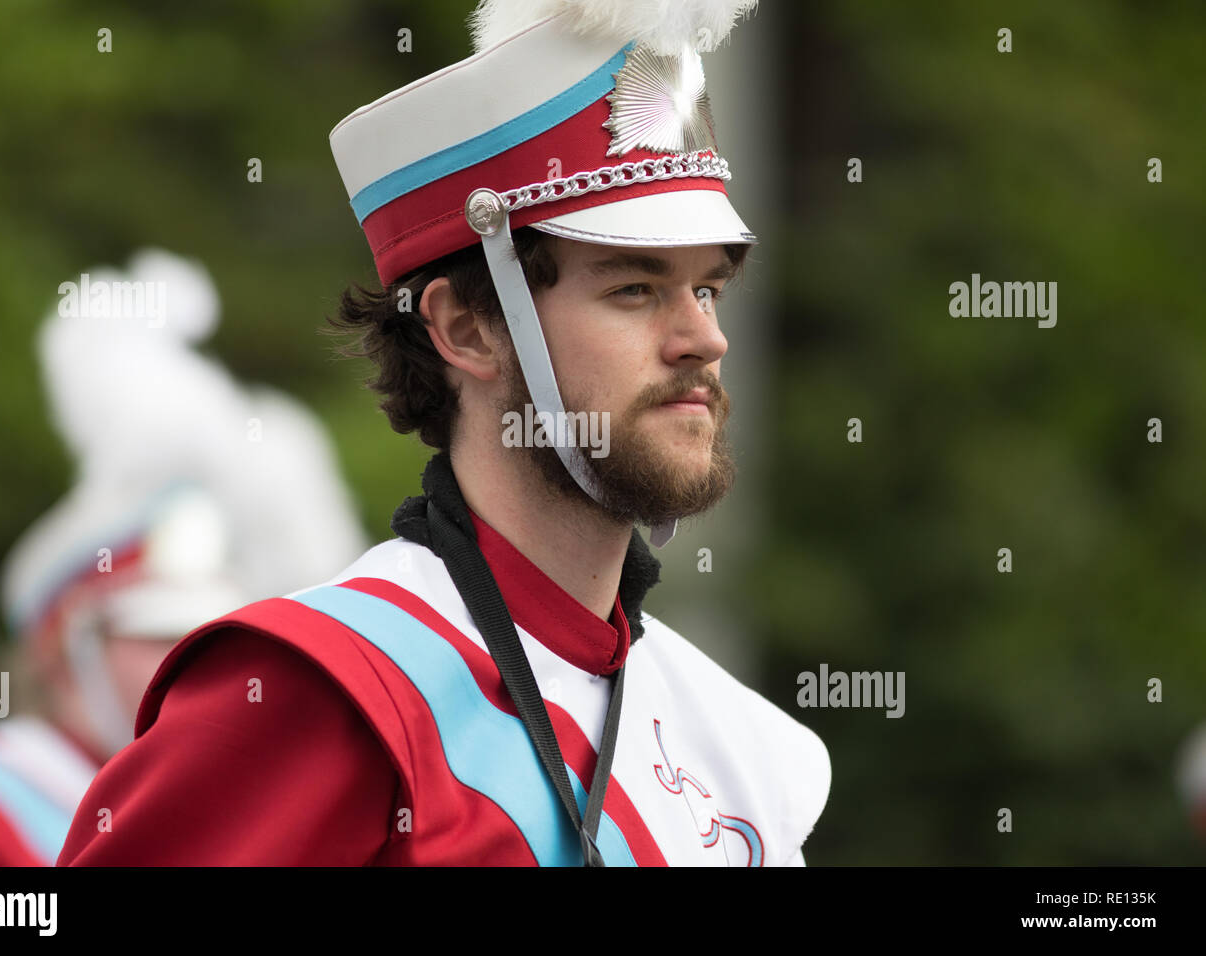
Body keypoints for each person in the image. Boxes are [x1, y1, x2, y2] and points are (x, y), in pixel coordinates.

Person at [58, 0, 831, 867]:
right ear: (465, 328)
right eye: (635, 290)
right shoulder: (321, 691)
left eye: (709, 290)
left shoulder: (742, 748)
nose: (705, 338)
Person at [0, 249, 367, 865]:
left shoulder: (241, 816)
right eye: (162, 631)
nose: (197, 659)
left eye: (215, 635)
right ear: (63, 648)